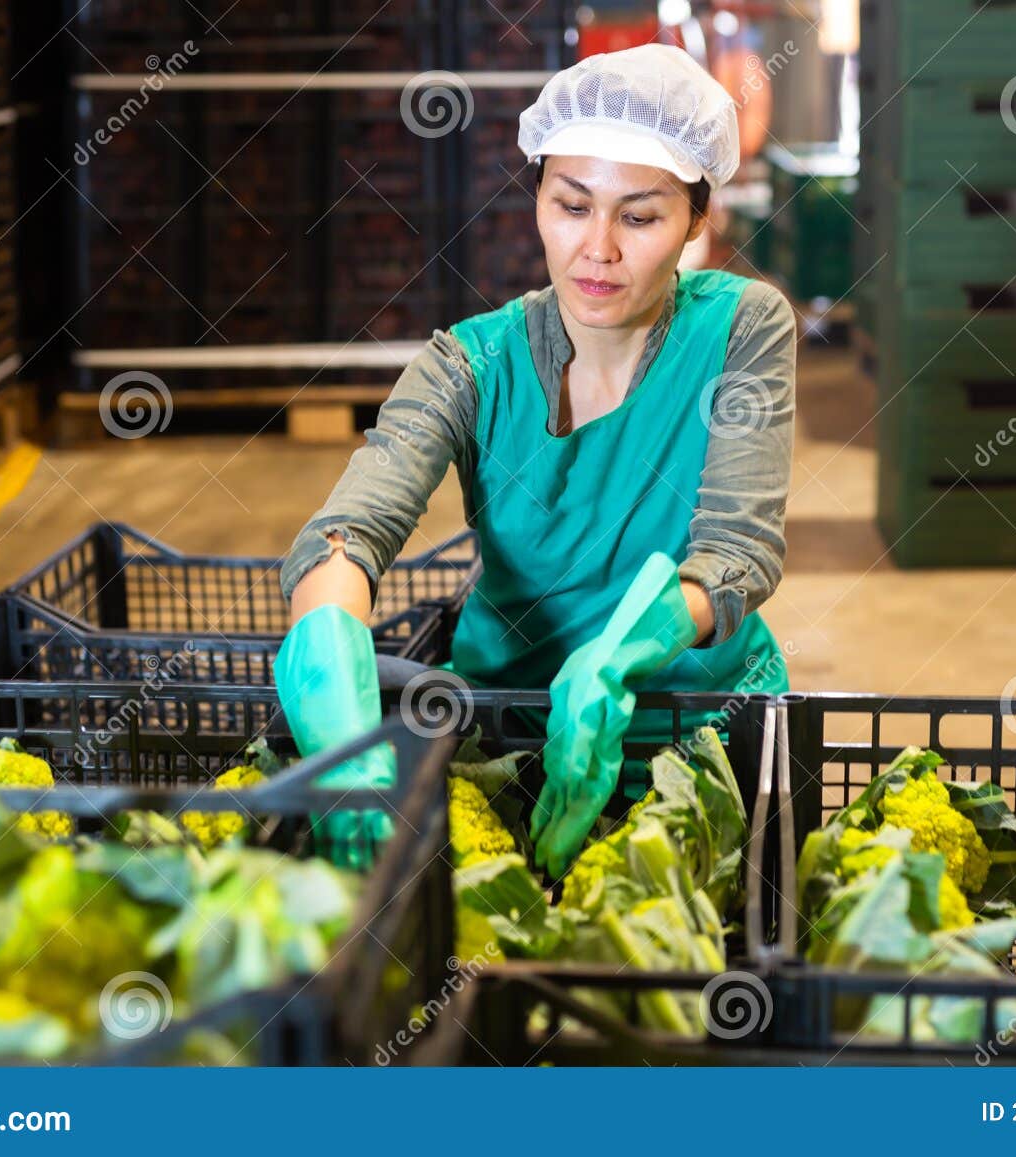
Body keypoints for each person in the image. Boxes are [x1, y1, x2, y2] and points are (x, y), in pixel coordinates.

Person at [276, 43, 796, 876]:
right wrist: (333, 669)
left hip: (702, 730)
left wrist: (619, 653)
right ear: (538, 200)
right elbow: (350, 529)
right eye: (571, 203)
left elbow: (740, 550)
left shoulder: (742, 326)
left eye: (640, 215)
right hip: (507, 738)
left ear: (699, 220)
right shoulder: (469, 365)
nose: (597, 249)